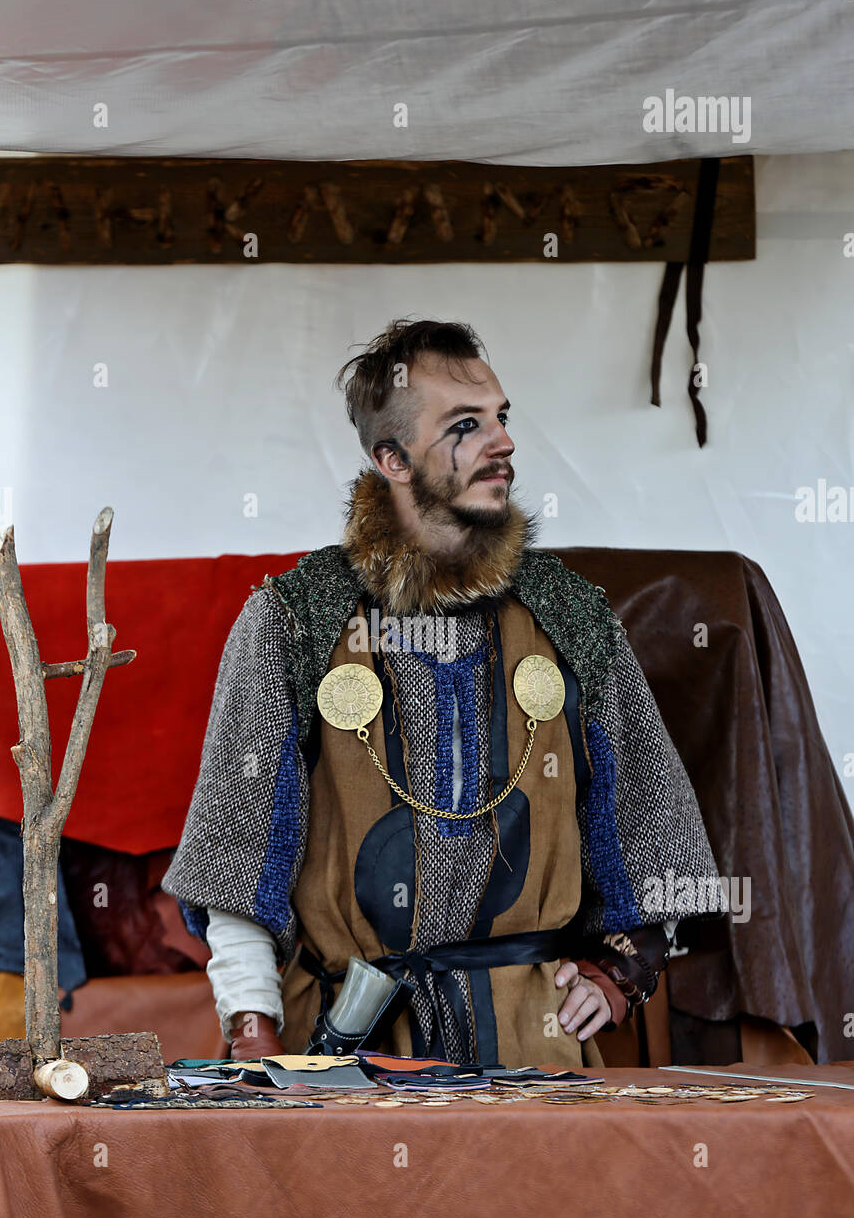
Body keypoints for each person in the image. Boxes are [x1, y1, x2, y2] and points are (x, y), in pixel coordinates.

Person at [163, 318, 725, 1067]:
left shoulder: (567, 613)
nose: (503, 442)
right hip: (343, 1057)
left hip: (535, 1047)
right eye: (466, 426)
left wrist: (621, 970)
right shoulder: (294, 620)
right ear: (390, 457)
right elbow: (232, 867)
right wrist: (253, 1031)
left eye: (501, 417)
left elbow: (651, 824)